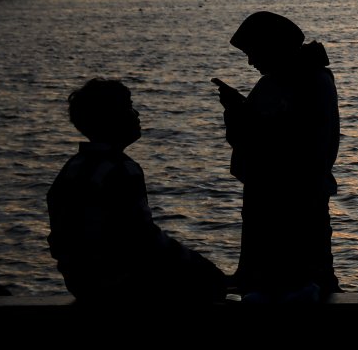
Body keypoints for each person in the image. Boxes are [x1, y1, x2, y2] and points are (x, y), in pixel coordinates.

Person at [46, 78, 226, 302]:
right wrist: (195, 262)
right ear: (112, 118)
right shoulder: (121, 170)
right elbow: (143, 238)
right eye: (129, 107)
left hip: (80, 282)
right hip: (118, 284)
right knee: (211, 284)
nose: (137, 114)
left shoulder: (73, 167)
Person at [215, 11, 340, 300]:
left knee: (309, 280)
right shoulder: (280, 81)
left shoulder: (311, 82)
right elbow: (266, 132)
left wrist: (239, 111)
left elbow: (292, 143)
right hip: (270, 197)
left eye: (253, 52)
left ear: (273, 47)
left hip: (295, 199)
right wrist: (237, 109)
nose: (250, 61)